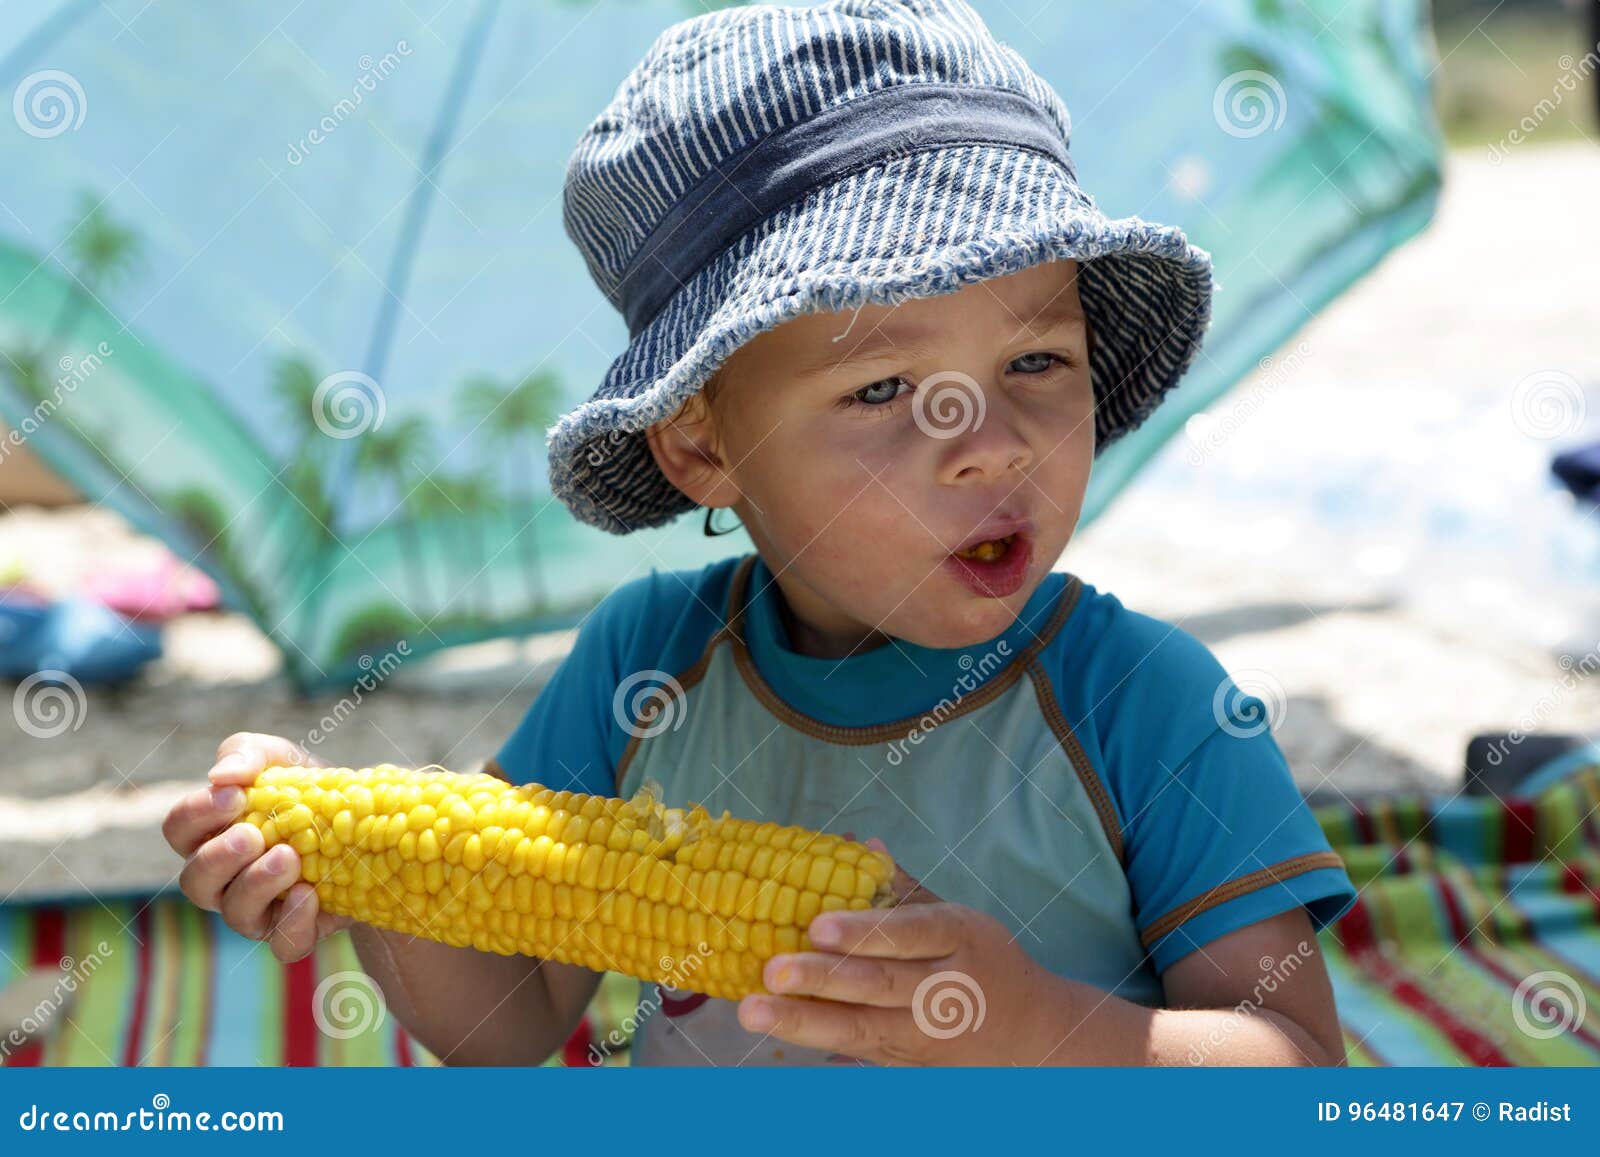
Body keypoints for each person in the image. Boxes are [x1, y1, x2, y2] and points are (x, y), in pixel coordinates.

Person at [164, 0, 1357, 1066]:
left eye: (1035, 359)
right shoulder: (646, 663)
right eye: (883, 389)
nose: (987, 439)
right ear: (700, 450)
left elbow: (1293, 1066)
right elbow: (508, 1023)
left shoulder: (1145, 703)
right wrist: (368, 870)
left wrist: (1032, 1028)